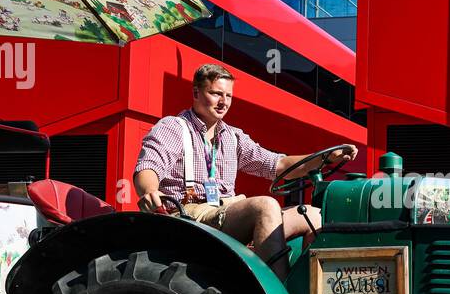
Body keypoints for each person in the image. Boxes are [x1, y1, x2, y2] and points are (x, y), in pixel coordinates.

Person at [133, 63, 356, 276]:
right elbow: (149, 166)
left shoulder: (232, 136)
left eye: (228, 95)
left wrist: (325, 158)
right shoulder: (173, 127)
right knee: (265, 205)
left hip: (228, 211)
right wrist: (150, 190)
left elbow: (278, 165)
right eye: (216, 93)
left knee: (314, 215)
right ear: (196, 93)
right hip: (190, 217)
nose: (223, 102)